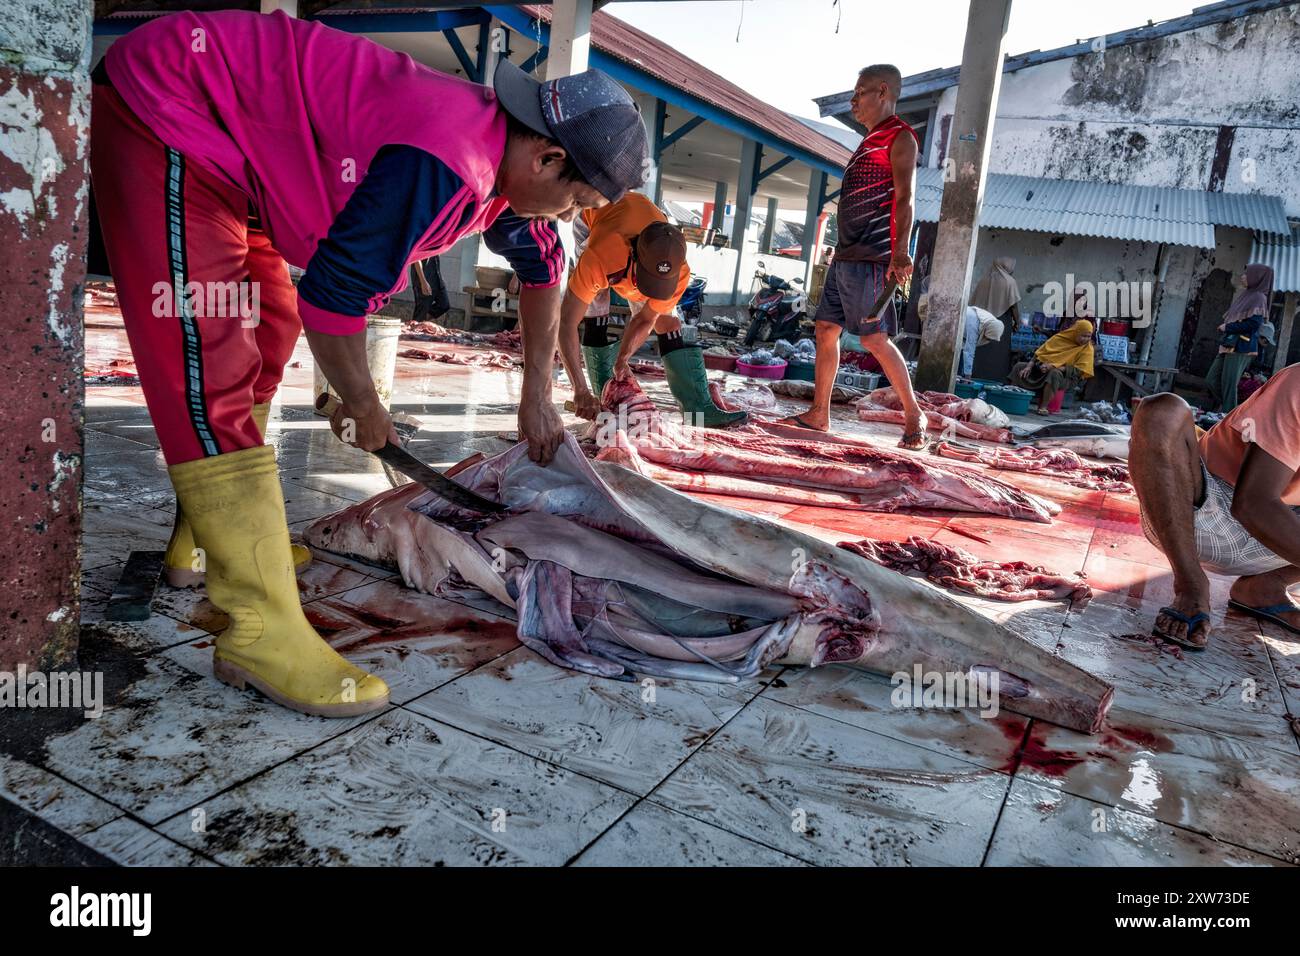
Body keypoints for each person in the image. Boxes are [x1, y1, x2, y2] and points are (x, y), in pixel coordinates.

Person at [90, 10, 647, 716]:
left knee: (269, 330)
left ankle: (203, 544)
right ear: (546, 159)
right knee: (209, 360)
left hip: (241, 165)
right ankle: (257, 627)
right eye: (576, 199)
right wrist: (363, 404)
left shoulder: (514, 178)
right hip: (169, 105)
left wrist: (535, 393)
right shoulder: (445, 158)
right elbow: (334, 296)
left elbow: (545, 277)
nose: (568, 216)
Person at [780, 65, 926, 448]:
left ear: (882, 91)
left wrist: (899, 252)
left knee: (875, 339)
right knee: (826, 330)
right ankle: (819, 413)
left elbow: (905, 197)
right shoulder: (867, 142)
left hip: (872, 256)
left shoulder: (900, 137)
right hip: (845, 256)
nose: (853, 102)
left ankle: (914, 414)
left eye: (859, 93)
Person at [1130, 364, 1300, 649]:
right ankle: (1190, 586)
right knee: (1161, 413)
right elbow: (1254, 503)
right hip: (1197, 514)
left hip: (1281, 540)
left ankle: (1264, 588)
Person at [558, 192, 745, 426]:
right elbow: (566, 323)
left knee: (669, 323)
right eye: (647, 282)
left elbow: (646, 318)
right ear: (634, 256)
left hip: (640, 226)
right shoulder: (600, 256)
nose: (649, 292)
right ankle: (604, 399)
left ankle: (699, 409)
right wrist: (579, 389)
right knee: (596, 309)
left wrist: (623, 358)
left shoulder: (679, 272)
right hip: (595, 219)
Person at [1205, 265, 1273, 413]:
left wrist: (1228, 327)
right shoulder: (1247, 295)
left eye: (1246, 274)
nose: (1242, 276)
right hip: (1229, 343)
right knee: (1211, 380)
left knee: (1229, 385)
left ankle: (1227, 419)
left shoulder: (1259, 297)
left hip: (1242, 346)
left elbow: (1254, 324)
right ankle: (1232, 412)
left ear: (1256, 277)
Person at [1010, 318, 1095, 416]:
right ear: (1075, 332)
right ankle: (1011, 395)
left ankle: (1043, 407)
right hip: (1043, 368)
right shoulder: (1059, 338)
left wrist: (1054, 367)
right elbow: (1039, 353)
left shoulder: (1087, 349)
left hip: (1066, 377)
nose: (1085, 339)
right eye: (1083, 336)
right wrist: (1029, 366)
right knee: (1019, 366)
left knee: (1054, 374)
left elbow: (1079, 370)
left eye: (1088, 336)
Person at [918, 296, 1004, 378]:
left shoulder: (987, 322)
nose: (988, 340)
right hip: (944, 326)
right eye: (989, 338)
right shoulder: (974, 324)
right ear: (987, 330)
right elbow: (969, 352)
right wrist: (968, 375)